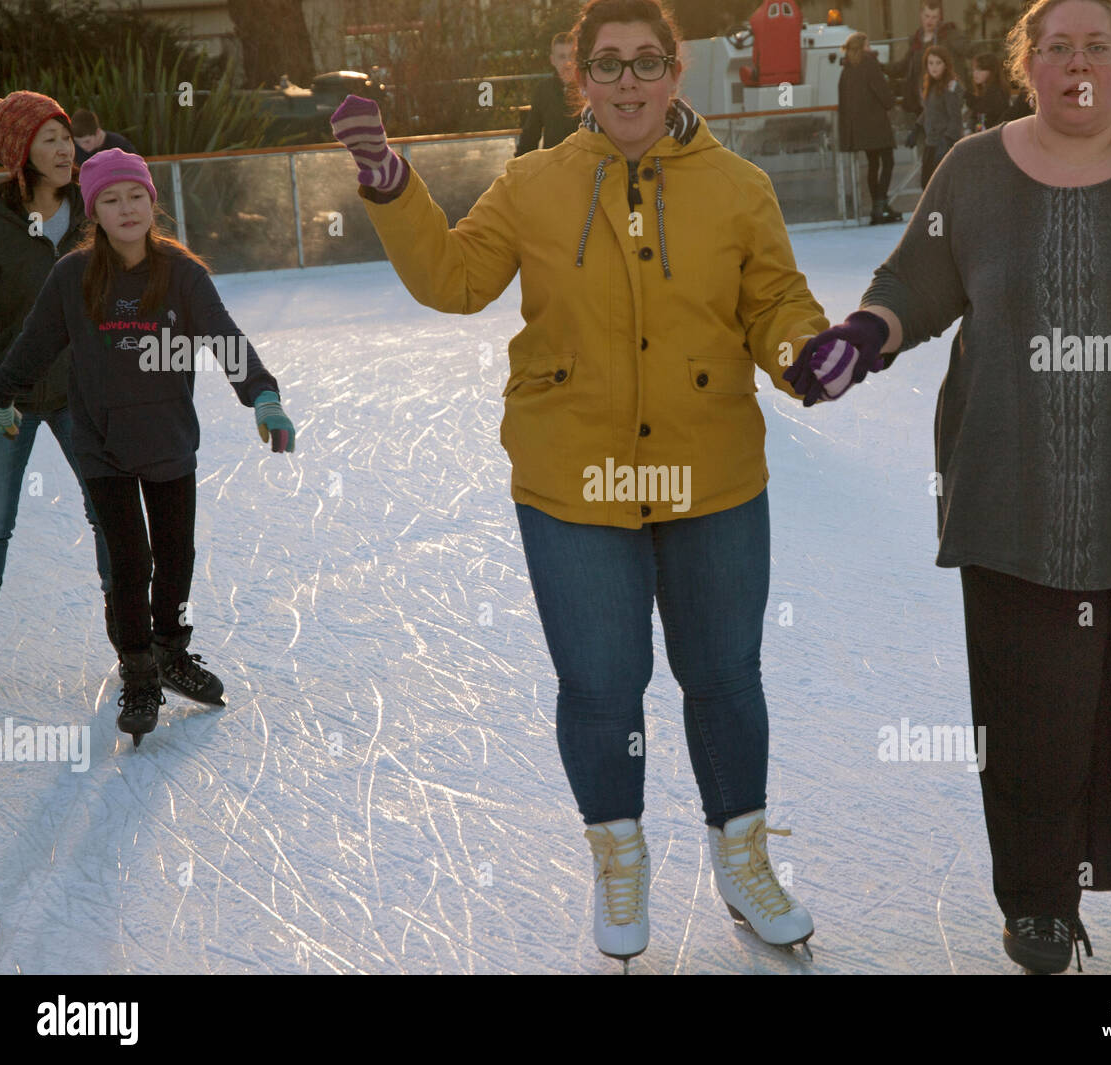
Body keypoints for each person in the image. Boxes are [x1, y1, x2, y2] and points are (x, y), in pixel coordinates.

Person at [332, 0, 828, 969]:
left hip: (709, 473)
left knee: (724, 679)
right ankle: (618, 854)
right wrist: (388, 181)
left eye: (647, 62)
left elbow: (774, 302)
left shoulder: (737, 187)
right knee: (601, 687)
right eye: (609, 65)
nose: (628, 82)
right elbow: (453, 278)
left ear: (675, 72)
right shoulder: (532, 185)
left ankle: (744, 859)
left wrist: (807, 353)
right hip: (575, 480)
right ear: (581, 80)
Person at [785, 0, 1111, 974]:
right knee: (1029, 707)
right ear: (1026, 64)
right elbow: (915, 280)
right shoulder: (974, 169)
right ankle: (1038, 903)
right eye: (1056, 46)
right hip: (1012, 494)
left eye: (1095, 44)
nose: (1075, 61)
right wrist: (864, 336)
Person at [0, 150, 296, 747]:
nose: (125, 208)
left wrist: (262, 396)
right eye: (110, 199)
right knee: (131, 563)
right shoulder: (72, 277)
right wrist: (2, 392)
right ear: (93, 210)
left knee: (176, 555)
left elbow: (224, 338)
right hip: (100, 443)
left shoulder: (182, 273)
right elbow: (35, 343)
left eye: (135, 196)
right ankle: (138, 671)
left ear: (152, 202)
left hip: (168, 440)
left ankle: (172, 653)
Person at [0, 91, 113, 659]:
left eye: (67, 136)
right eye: (50, 139)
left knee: (109, 507)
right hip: (4, 396)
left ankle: (130, 627)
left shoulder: (95, 212)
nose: (66, 149)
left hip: (81, 392)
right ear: (22, 152)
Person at [837, 31, 902, 224]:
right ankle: (880, 205)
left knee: (873, 165)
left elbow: (843, 101)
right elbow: (883, 93)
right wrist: (891, 102)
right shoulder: (870, 64)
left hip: (859, 128)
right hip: (876, 124)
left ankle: (879, 206)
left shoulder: (846, 70)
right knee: (888, 162)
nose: (871, 49)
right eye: (868, 45)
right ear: (863, 47)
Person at [888, 1, 970, 154]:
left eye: (934, 17)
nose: (930, 20)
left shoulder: (947, 35)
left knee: (940, 153)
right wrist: (879, 66)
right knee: (926, 153)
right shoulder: (917, 41)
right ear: (921, 16)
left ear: (940, 18)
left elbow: (967, 49)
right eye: (927, 16)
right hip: (923, 101)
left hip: (943, 100)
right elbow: (903, 66)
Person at [515, 32, 577, 156]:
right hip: (553, 165)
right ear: (552, 60)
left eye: (572, 56)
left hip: (585, 167)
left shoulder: (591, 90)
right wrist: (519, 168)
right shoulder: (543, 90)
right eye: (562, 57)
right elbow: (531, 135)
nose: (568, 63)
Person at [920, 46, 963, 187]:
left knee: (941, 186)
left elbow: (955, 117)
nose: (934, 67)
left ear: (946, 64)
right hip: (931, 142)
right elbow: (930, 110)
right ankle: (934, 210)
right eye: (930, 63)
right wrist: (917, 126)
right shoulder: (931, 84)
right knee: (926, 185)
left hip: (944, 143)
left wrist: (947, 141)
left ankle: (942, 210)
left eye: (938, 63)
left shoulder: (950, 85)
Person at [70, 109, 135, 167]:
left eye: (87, 141)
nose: (82, 146)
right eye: (77, 142)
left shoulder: (121, 146)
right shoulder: (75, 149)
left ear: (98, 132)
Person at [965, 52, 1011, 132]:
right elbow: (975, 116)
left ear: (991, 71)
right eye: (974, 69)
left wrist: (965, 95)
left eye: (980, 69)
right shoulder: (983, 91)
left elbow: (983, 108)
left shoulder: (997, 93)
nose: (975, 73)